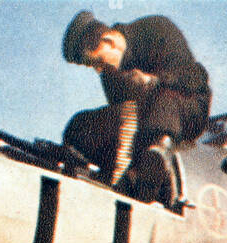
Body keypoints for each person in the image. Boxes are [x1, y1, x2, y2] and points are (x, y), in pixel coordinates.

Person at [62, 10, 211, 201]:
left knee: (163, 101)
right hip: (144, 128)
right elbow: (125, 119)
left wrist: (153, 81)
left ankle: (158, 160)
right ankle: (125, 176)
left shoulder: (156, 29)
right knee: (80, 124)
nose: (99, 69)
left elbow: (195, 78)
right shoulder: (109, 75)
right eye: (94, 66)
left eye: (98, 62)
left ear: (109, 41)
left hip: (187, 109)